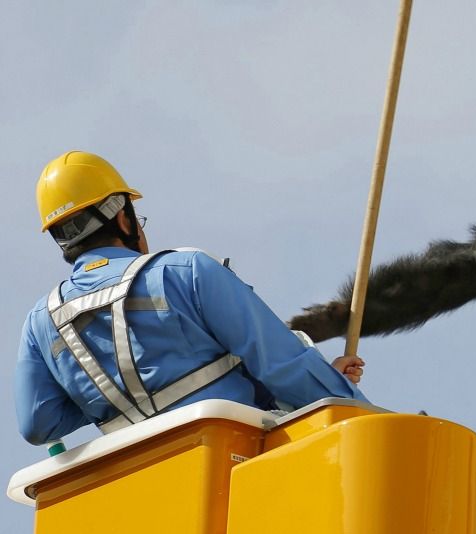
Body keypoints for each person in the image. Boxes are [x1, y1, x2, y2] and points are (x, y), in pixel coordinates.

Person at [16, 151, 367, 445]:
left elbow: (38, 424)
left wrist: (105, 394)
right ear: (123, 217)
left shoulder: (40, 323)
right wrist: (352, 407)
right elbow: (282, 365)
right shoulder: (185, 272)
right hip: (231, 462)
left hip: (140, 488)